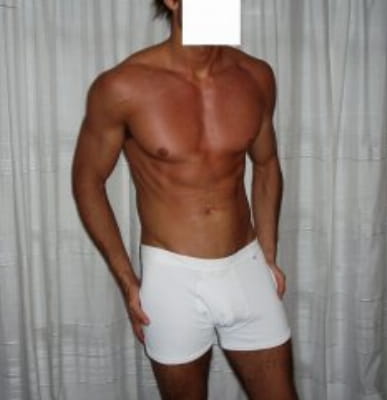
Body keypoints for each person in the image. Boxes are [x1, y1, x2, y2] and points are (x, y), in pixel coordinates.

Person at [72, 0, 299, 399]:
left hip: (246, 267)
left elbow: (266, 164)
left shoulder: (256, 76)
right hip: (172, 278)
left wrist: (268, 252)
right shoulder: (123, 87)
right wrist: (127, 280)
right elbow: (87, 181)